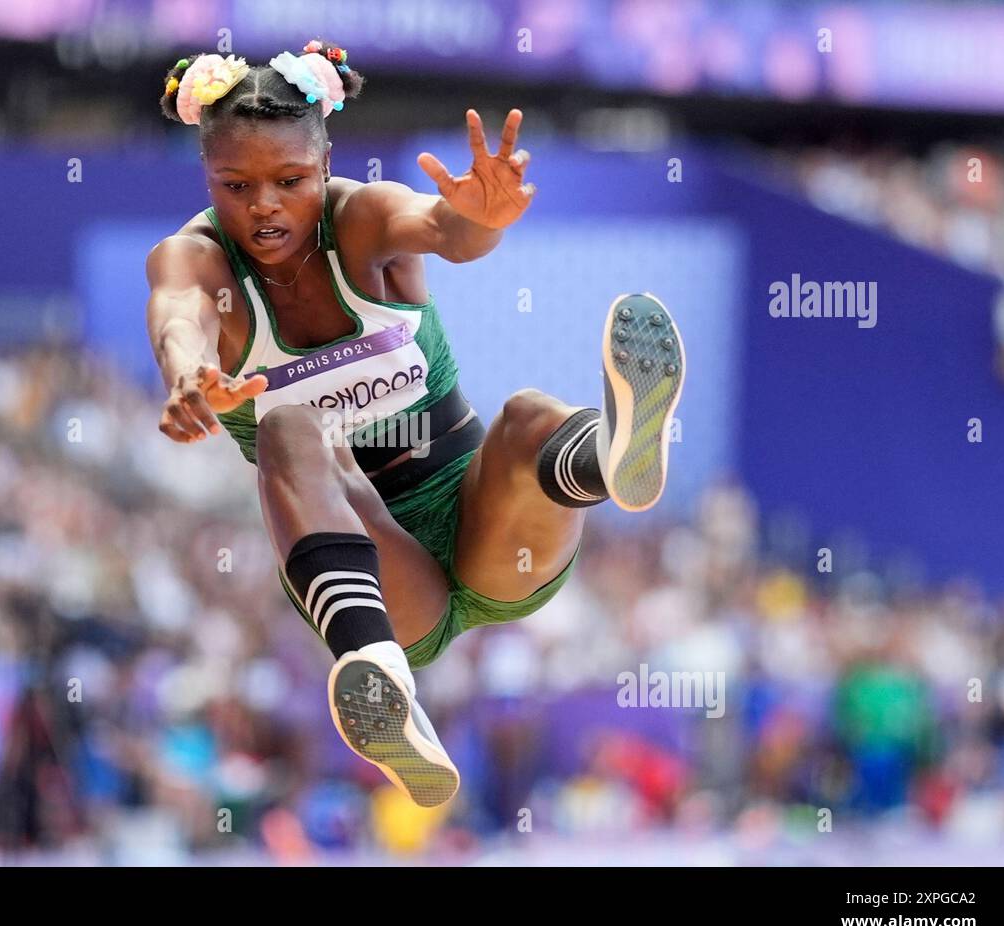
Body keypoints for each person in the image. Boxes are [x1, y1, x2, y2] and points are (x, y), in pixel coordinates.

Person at [145, 40, 685, 807]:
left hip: (489, 526)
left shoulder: (362, 220)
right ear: (207, 180)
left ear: (325, 164)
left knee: (529, 414)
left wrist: (484, 218)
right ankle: (382, 687)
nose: (264, 205)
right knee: (289, 429)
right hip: (376, 576)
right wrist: (186, 374)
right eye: (236, 185)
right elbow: (177, 314)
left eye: (289, 181)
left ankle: (613, 456)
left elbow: (447, 231)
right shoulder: (194, 259)